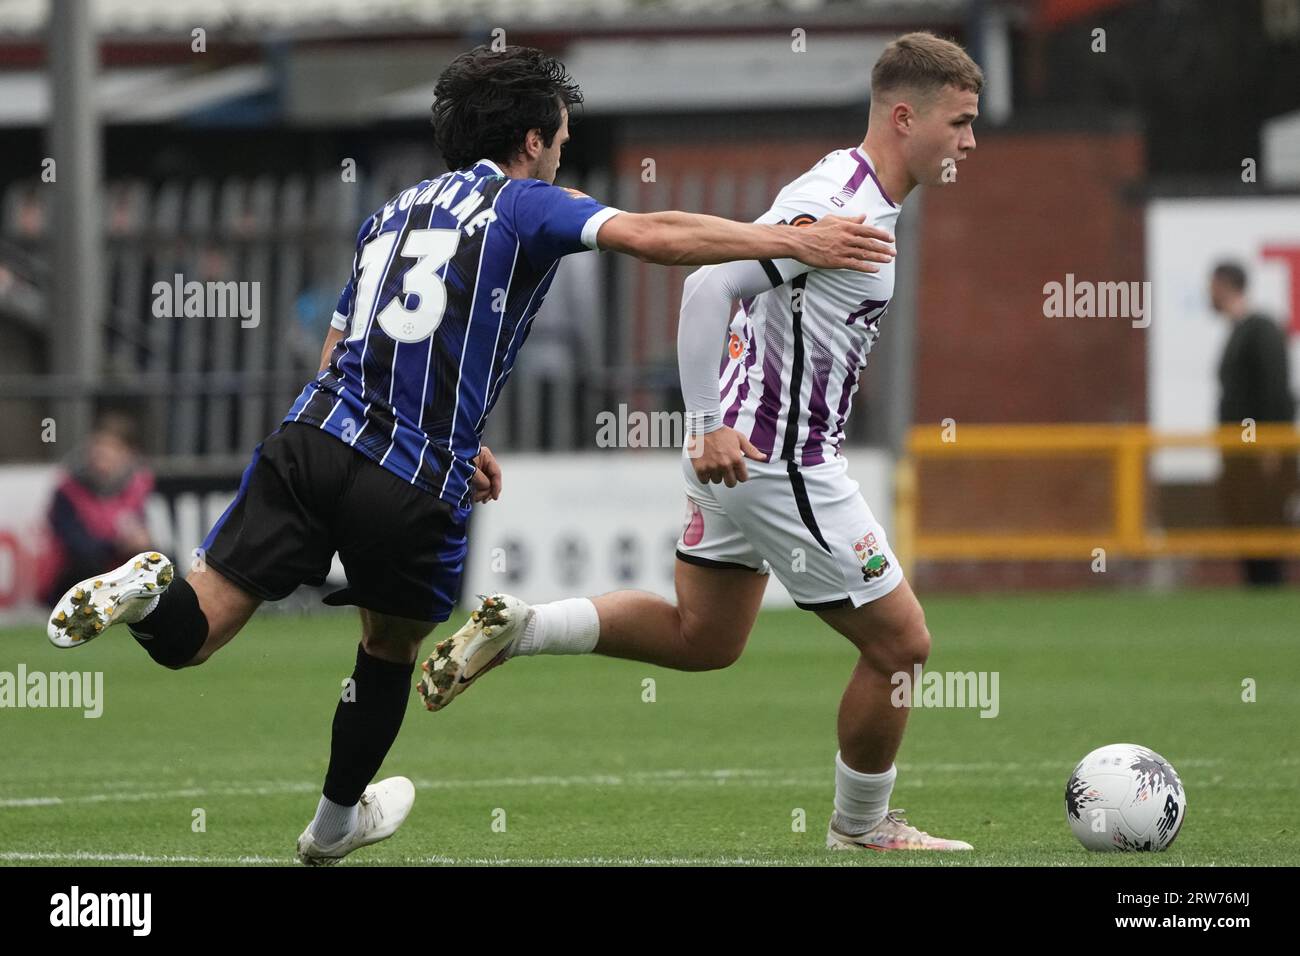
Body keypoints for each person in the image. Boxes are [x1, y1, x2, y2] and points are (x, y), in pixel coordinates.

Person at [45, 44, 895, 865]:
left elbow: (344, 350)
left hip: (311, 438)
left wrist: (457, 430)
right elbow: (655, 233)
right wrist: (790, 241)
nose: (562, 159)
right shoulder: (521, 203)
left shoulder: (390, 211)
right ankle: (335, 825)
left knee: (190, 637)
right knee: (389, 647)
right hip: (411, 479)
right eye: (560, 143)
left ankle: (148, 591)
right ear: (530, 142)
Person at [424, 32, 981, 852]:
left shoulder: (851, 189)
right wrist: (706, 424)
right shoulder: (845, 203)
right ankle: (862, 828)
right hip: (778, 460)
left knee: (703, 637)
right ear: (907, 116)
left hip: (746, 459)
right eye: (962, 122)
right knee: (902, 645)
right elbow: (708, 285)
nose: (971, 141)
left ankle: (528, 628)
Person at [1210, 261, 1298, 586]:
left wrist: (1268, 443)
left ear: (1224, 285)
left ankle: (1268, 588)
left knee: (1265, 526)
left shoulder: (1259, 328)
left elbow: (1275, 391)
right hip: (1242, 453)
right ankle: (1258, 586)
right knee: (1247, 524)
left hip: (1259, 453)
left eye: (1213, 287)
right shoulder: (1239, 329)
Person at [39, 412, 154, 609]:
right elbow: (78, 546)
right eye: (98, 447)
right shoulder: (68, 492)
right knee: (88, 565)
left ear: (127, 454)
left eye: (111, 448)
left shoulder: (138, 488)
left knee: (157, 561)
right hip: (73, 579)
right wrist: (119, 545)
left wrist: (142, 543)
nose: (102, 454)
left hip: (118, 575)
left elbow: (142, 536)